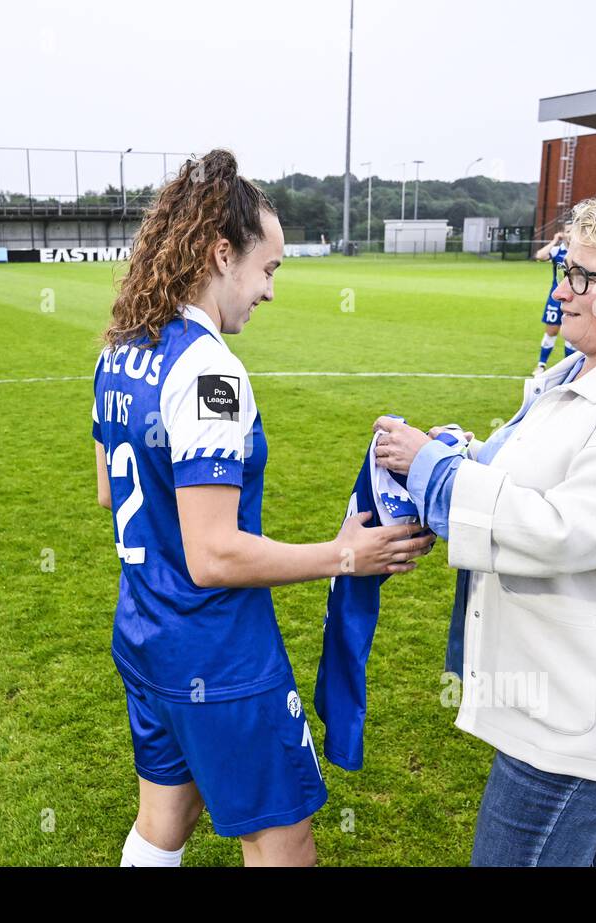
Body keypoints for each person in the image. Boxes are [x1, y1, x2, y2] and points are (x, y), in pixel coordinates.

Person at [374, 189, 596, 866]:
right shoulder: (586, 366)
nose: (562, 290)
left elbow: (563, 528)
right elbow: (535, 476)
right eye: (565, 270)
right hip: (576, 695)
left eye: (583, 277)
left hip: (595, 714)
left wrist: (434, 472)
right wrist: (463, 454)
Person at [92, 148, 430, 867]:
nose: (270, 291)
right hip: (218, 654)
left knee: (163, 821)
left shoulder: (121, 348)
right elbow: (212, 555)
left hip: (144, 633)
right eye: (268, 269)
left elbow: (107, 490)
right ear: (221, 254)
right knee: (284, 842)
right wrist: (350, 553)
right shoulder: (209, 370)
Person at [532, 229, 575, 374]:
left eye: (573, 230)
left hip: (575, 297)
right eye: (568, 230)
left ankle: (569, 368)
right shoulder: (557, 251)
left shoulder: (580, 252)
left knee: (572, 333)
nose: (570, 233)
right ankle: (541, 364)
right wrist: (554, 241)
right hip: (556, 298)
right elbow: (540, 256)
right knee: (551, 330)